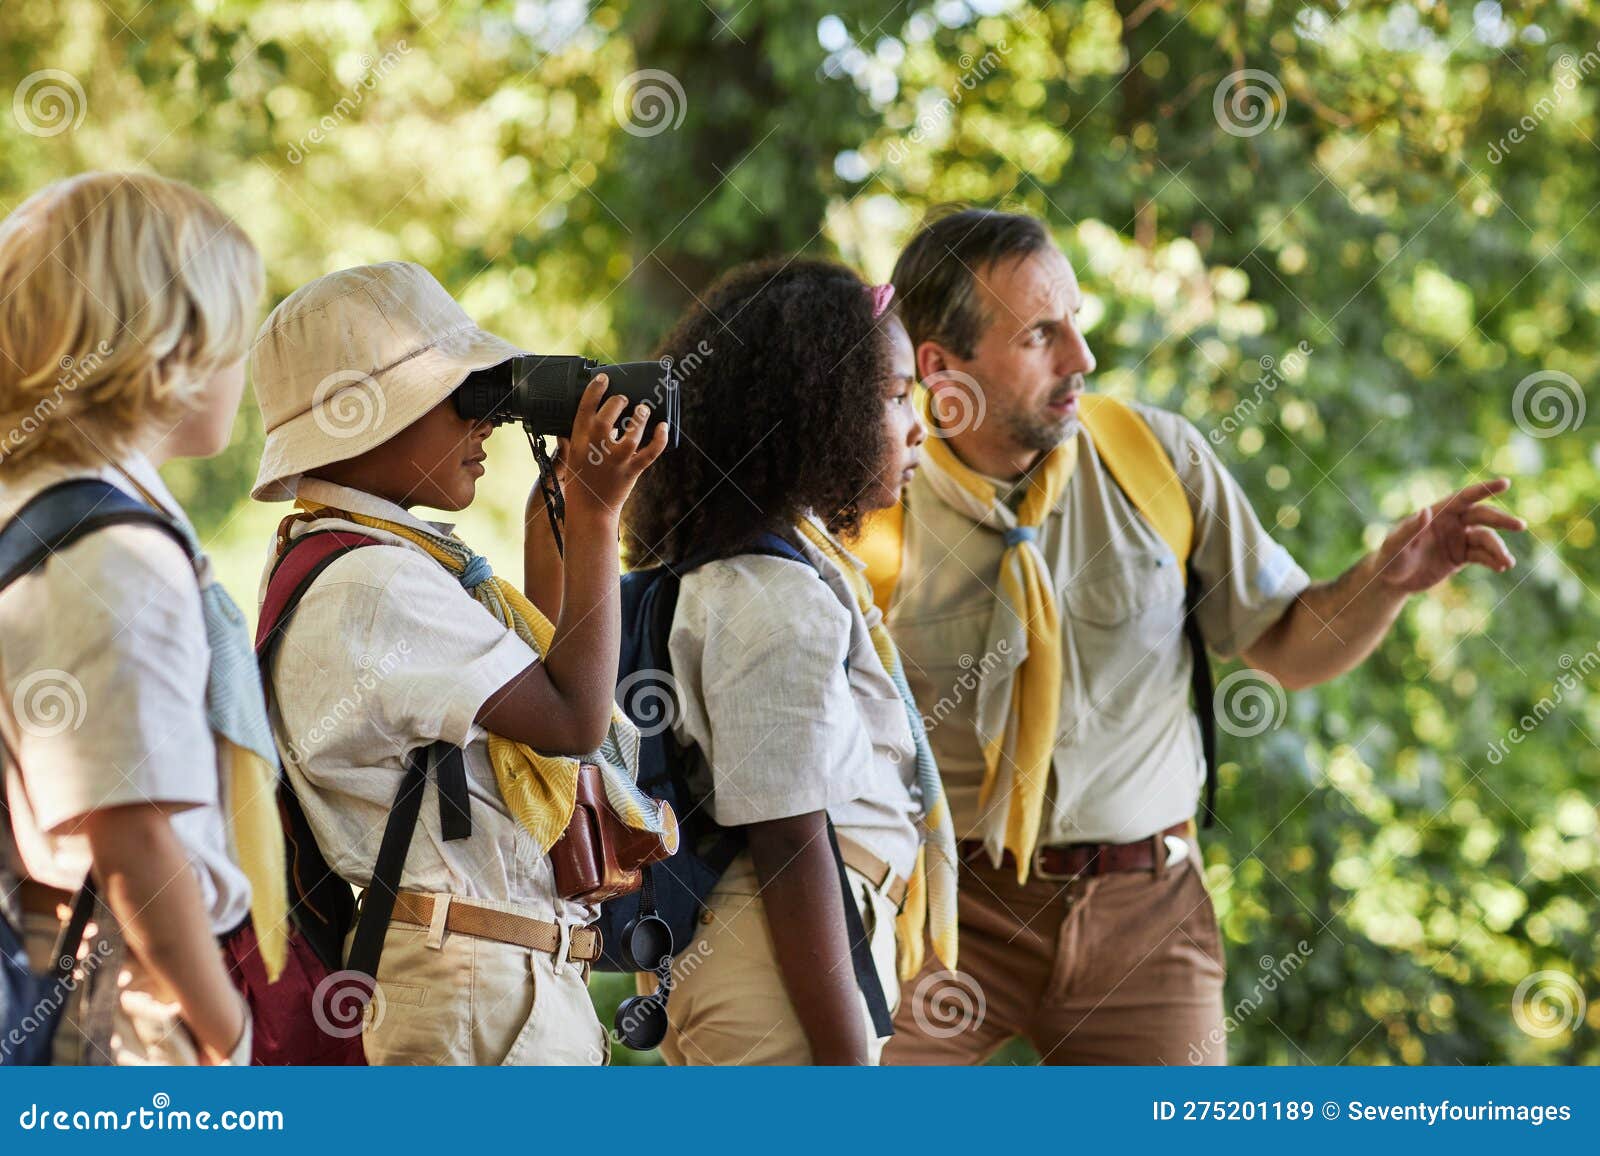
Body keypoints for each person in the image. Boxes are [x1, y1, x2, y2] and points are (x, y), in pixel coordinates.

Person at [873, 208, 1526, 1066]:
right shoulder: (871, 501)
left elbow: (1288, 647)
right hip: (945, 909)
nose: (1082, 357)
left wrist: (1384, 582)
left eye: (1076, 319)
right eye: (1040, 335)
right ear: (940, 368)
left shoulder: (1157, 458)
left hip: (1142, 910)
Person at [247, 261, 668, 1065]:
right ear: (365, 419)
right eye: (462, 394)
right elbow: (574, 720)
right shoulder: (376, 582)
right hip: (472, 996)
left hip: (478, 983)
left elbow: (546, 667)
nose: (488, 420)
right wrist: (598, 516)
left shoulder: (361, 560)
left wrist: (570, 507)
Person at [599, 259, 956, 1065]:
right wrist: (844, 1061)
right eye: (897, 396)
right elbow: (790, 844)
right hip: (777, 967)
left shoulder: (772, 564)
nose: (919, 424)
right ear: (817, 408)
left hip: (781, 953)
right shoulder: (770, 598)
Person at [0, 171, 278, 1065]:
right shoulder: (120, 552)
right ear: (173, 347)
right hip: (117, 999)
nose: (244, 371)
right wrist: (222, 1031)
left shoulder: (29, 509)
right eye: (235, 338)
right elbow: (132, 835)